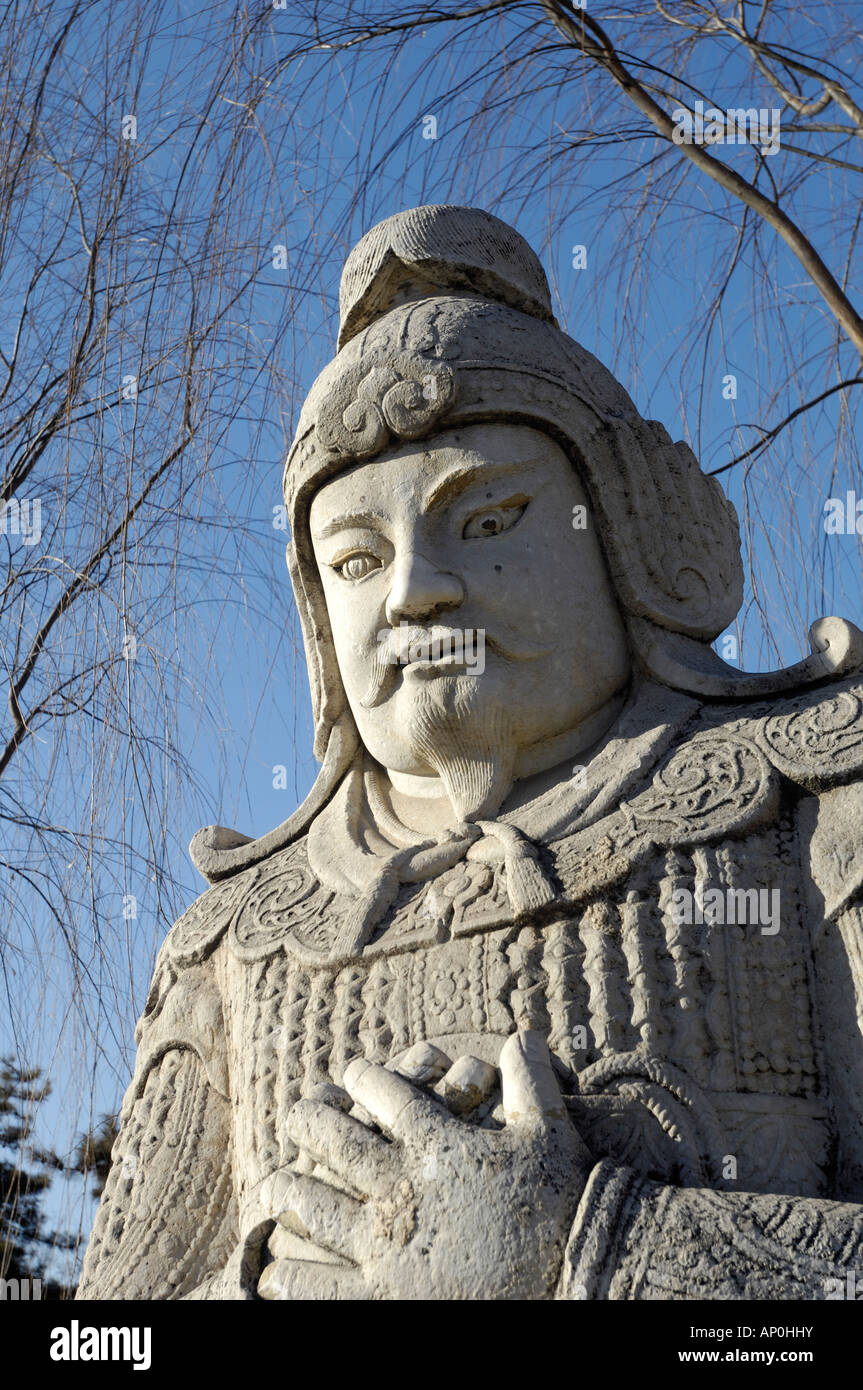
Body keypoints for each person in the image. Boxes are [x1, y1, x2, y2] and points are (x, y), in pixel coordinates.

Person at [78, 205, 863, 1301]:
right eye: (353, 562)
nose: (412, 591)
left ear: (629, 531)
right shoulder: (231, 947)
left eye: (487, 521)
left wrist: (587, 1246)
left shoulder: (810, 809)